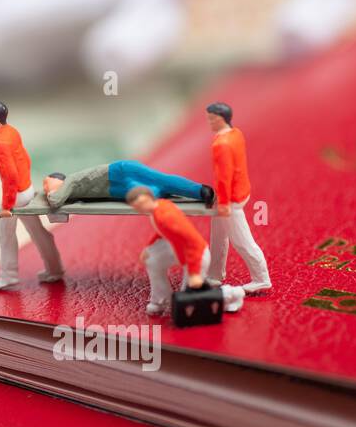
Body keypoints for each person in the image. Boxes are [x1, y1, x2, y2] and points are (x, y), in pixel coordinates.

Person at [0, 99, 64, 289]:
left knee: (6, 236)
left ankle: (8, 276)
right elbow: (25, 160)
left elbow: (9, 176)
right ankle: (55, 269)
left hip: (15, 196)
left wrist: (7, 206)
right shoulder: (12, 131)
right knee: (38, 232)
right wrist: (26, 184)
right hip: (26, 190)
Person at [126, 186, 244, 317]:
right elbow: (162, 232)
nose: (140, 209)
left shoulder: (166, 216)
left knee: (191, 295)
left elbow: (192, 241)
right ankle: (161, 300)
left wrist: (194, 273)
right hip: (182, 252)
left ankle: (233, 294)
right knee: (152, 260)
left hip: (196, 256)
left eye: (141, 204)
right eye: (136, 207)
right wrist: (149, 248)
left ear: (148, 198)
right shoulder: (158, 208)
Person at [205, 102, 271, 294]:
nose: (209, 122)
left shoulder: (221, 144)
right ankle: (215, 274)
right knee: (218, 236)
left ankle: (261, 278)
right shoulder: (236, 134)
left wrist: (224, 203)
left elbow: (224, 177)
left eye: (212, 119)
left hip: (230, 199)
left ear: (220, 118)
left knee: (241, 240)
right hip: (239, 192)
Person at [42, 162, 214, 209]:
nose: (44, 186)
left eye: (46, 181)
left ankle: (201, 190)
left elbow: (56, 201)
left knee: (162, 181)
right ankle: (201, 191)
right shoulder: (74, 191)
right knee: (159, 187)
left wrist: (50, 193)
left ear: (58, 179)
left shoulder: (71, 180)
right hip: (118, 187)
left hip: (118, 172)